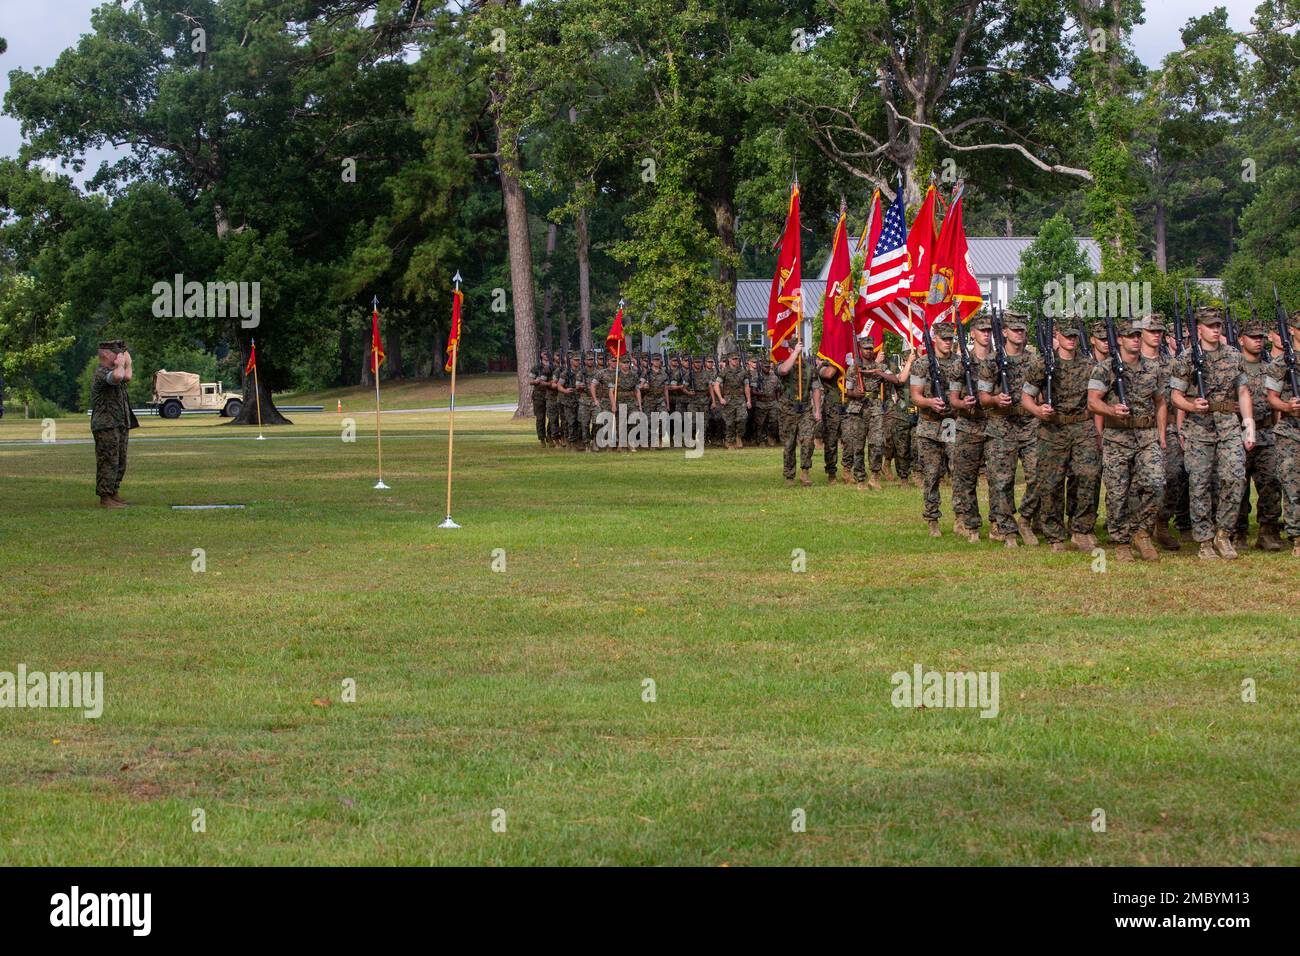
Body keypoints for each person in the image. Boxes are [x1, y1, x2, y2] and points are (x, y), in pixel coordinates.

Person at [1169, 306, 1253, 560]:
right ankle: (1204, 540)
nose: (1215, 329)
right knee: (1199, 484)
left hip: (1228, 424)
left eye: (1218, 325)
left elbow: (1243, 391)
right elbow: (1175, 396)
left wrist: (1249, 423)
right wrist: (1191, 405)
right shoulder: (1186, 358)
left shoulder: (1233, 356)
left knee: (1235, 477)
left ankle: (1223, 534)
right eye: (1210, 325)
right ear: (1199, 329)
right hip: (1199, 428)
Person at [1086, 317, 1167, 561]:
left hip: (1146, 436)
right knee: (1118, 492)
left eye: (1137, 336)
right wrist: (1111, 411)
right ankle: (1121, 541)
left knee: (1156, 484)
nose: (1135, 340)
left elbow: (1161, 401)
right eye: (1130, 336)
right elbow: (1092, 401)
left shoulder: (1153, 368)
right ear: (1119, 340)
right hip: (1117, 438)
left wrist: (1161, 435)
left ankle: (1141, 531)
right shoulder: (1104, 368)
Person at [1022, 323, 1101, 553]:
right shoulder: (1044, 364)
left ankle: (1080, 529)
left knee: (1088, 475)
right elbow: (1026, 397)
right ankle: (1054, 533)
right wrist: (1038, 411)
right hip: (1053, 429)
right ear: (1057, 336)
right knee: (1051, 482)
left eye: (1075, 336)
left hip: (1082, 426)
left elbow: (1095, 399)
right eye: (1066, 336)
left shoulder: (1089, 365)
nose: (1071, 340)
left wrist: (1097, 432)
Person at [978, 310, 1041, 547]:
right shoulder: (991, 361)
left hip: (1029, 425)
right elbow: (983, 397)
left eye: (1023, 331)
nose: (1020, 334)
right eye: (1015, 330)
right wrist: (995, 400)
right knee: (1002, 481)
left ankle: (1025, 518)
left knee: (1038, 476)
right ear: (1004, 332)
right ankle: (1007, 529)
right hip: (1001, 426)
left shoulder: (1034, 359)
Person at [1234, 318, 1283, 550]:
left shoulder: (1271, 367)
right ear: (1241, 339)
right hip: (1237, 434)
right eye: (1253, 337)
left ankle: (1268, 532)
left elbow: (1276, 403)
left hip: (1266, 432)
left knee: (1270, 483)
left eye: (1261, 337)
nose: (1258, 341)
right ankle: (1238, 532)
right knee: (1237, 486)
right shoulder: (1233, 367)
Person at [909, 323, 956, 537]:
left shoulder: (958, 363)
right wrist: (929, 402)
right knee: (932, 473)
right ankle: (932, 518)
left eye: (950, 338)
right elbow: (915, 395)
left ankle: (962, 517)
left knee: (957, 471)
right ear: (935, 338)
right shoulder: (922, 364)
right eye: (944, 338)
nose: (948, 342)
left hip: (950, 423)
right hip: (928, 425)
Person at [948, 315, 992, 541]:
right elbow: (952, 399)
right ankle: (969, 523)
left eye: (989, 330)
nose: (986, 334)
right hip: (968, 426)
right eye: (981, 330)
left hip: (994, 426)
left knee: (998, 479)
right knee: (965, 478)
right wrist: (962, 404)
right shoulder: (960, 364)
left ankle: (998, 523)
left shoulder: (997, 360)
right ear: (972, 333)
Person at [1264, 308, 1300, 557]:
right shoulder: (1280, 364)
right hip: (1290, 431)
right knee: (1293, 486)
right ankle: (1297, 536)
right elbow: (1271, 399)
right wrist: (1288, 406)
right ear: (1293, 330)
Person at [90, 339, 136, 508]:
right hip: (105, 425)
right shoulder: (102, 373)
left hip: (118, 424)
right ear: (107, 355)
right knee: (108, 461)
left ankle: (113, 492)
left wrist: (127, 363)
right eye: (118, 354)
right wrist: (121, 365)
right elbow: (117, 377)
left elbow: (127, 377)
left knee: (120, 461)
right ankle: (105, 497)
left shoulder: (117, 371)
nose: (121, 357)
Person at [777, 340, 820, 485]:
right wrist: (794, 353)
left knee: (808, 440)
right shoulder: (783, 364)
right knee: (789, 444)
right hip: (788, 410)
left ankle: (805, 472)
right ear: (790, 349)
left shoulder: (809, 368)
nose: (799, 351)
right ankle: (789, 475)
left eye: (801, 348)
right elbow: (783, 370)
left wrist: (817, 410)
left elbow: (815, 389)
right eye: (795, 348)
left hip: (805, 410)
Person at [713, 351, 752, 449]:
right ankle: (729, 441)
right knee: (729, 422)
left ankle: (739, 437)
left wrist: (748, 400)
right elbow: (716, 385)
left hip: (740, 399)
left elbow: (747, 386)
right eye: (734, 359)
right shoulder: (724, 371)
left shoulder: (743, 372)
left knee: (742, 419)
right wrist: (720, 398)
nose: (736, 361)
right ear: (729, 360)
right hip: (728, 400)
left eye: (737, 359)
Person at [817, 356, 844, 483]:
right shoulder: (825, 364)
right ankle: (831, 472)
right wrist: (837, 362)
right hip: (832, 407)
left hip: (849, 404)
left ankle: (848, 471)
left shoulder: (850, 360)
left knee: (850, 441)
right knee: (831, 442)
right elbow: (828, 374)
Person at [529, 352, 551, 446]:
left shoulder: (553, 366)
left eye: (548, 353)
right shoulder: (536, 367)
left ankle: (550, 435)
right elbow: (530, 381)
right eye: (545, 353)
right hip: (539, 395)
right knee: (540, 418)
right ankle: (542, 438)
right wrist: (536, 381)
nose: (547, 355)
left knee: (552, 417)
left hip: (550, 394)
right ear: (541, 355)